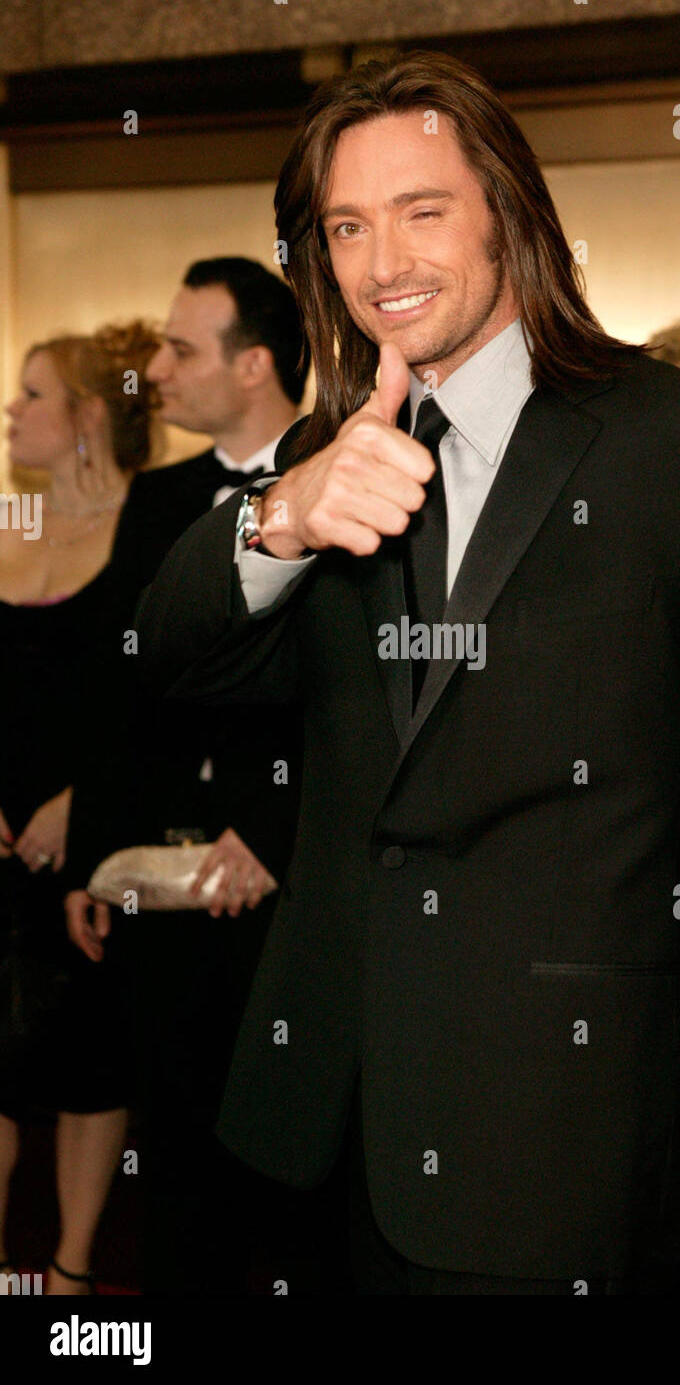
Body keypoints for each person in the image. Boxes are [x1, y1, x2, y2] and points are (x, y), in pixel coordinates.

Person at [134, 53, 680, 1294]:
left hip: (576, 1146)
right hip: (326, 1131)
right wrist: (280, 517)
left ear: (511, 217)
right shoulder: (329, 456)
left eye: (422, 211)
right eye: (347, 226)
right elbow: (163, 652)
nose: (382, 264)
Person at [64, 258, 310, 1294]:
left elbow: (356, 695)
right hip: (158, 887)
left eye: (179, 348)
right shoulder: (160, 496)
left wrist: (268, 828)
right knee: (172, 1162)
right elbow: (121, 690)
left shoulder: (348, 468)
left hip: (287, 895)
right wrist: (91, 859)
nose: (153, 370)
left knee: (288, 1171)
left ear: (252, 365)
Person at [0, 321, 160, 1294]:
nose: (11, 411)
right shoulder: (6, 524)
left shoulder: (150, 528)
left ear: (89, 416)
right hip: (0, 839)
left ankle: (69, 1270)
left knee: (90, 1061)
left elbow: (165, 700)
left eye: (31, 393)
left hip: (98, 839)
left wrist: (88, 804)